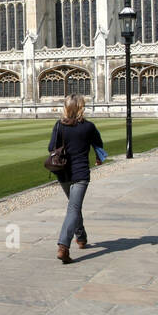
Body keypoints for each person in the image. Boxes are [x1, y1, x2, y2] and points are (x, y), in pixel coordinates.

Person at [49, 95, 104, 264]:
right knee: (74, 207)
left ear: (66, 108)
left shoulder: (59, 125)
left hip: (63, 171)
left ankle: (81, 237)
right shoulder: (88, 126)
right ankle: (63, 246)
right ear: (81, 108)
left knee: (74, 206)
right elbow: (99, 145)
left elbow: (51, 147)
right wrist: (98, 158)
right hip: (80, 173)